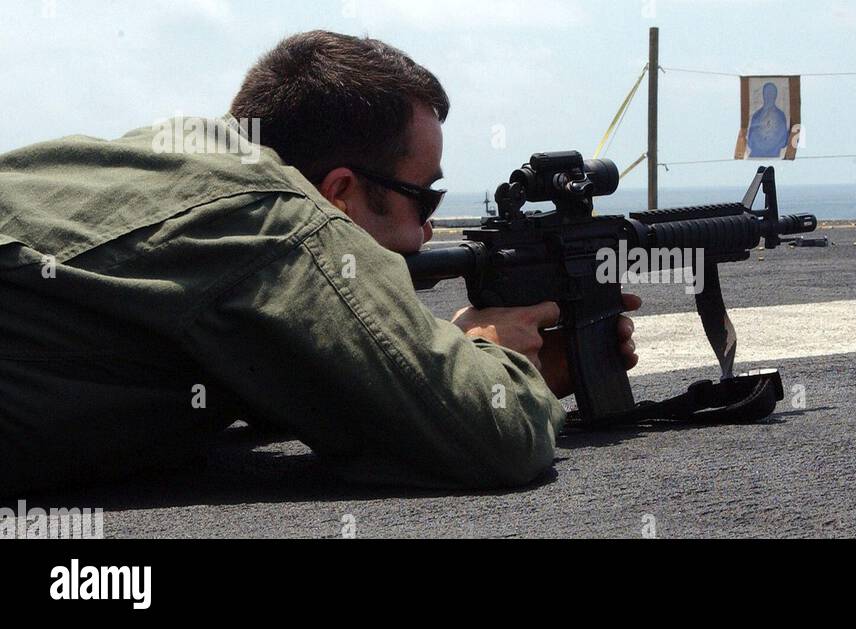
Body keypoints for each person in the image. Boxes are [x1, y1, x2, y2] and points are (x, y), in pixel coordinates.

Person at [0, 30, 639, 495]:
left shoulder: (173, 158)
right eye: (426, 198)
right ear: (338, 192)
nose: (425, 230)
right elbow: (494, 439)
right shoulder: (280, 221)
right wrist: (501, 360)